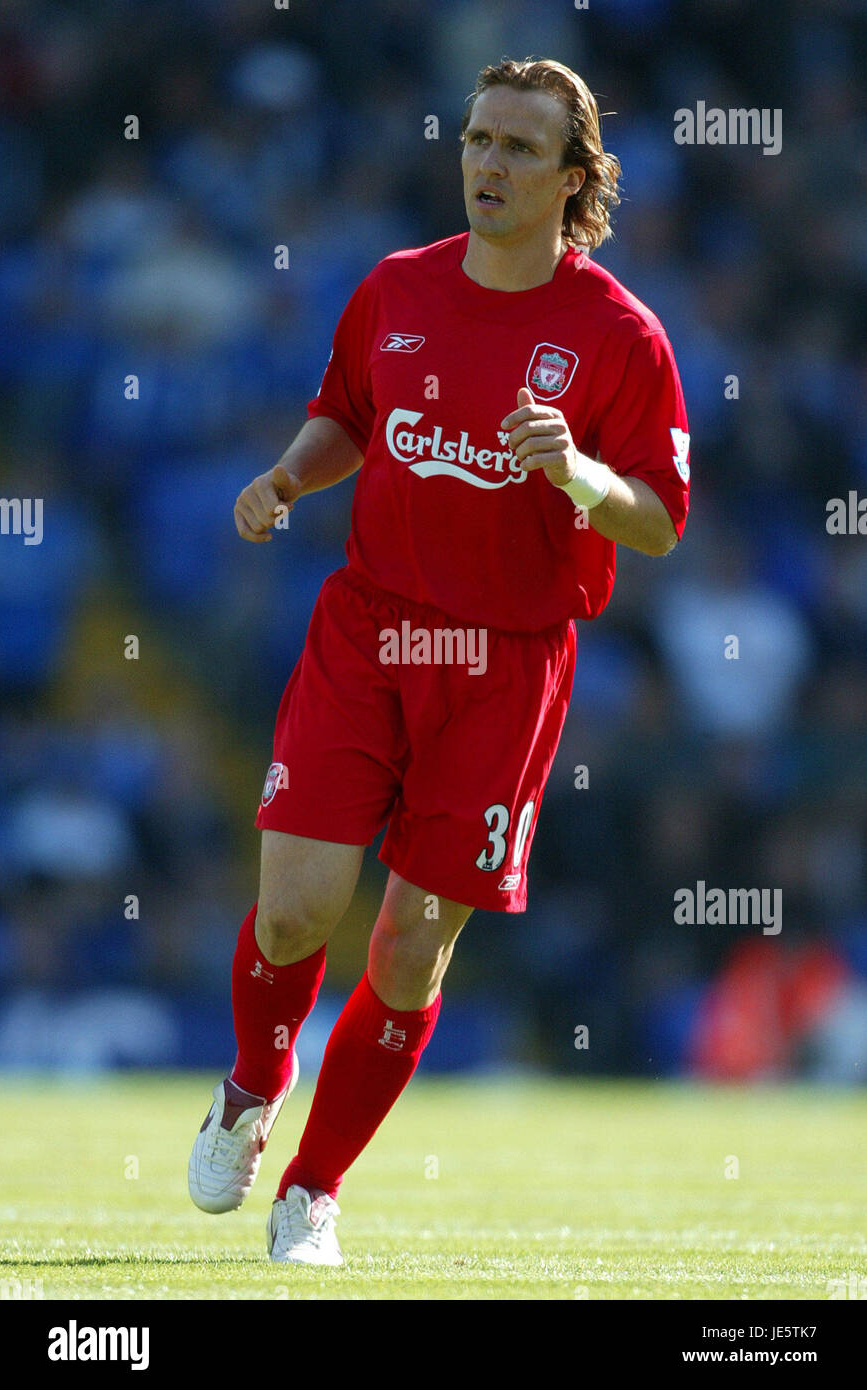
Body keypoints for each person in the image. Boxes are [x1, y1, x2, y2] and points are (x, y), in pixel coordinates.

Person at [188, 56, 691, 1267]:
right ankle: (254, 1085)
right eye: (475, 140)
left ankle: (312, 1190)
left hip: (506, 661)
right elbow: (350, 417)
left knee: (411, 947)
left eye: (518, 149)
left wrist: (572, 472)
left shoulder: (618, 334)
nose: (486, 164)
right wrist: (286, 478)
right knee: (300, 908)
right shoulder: (396, 287)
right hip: (370, 630)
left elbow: (660, 516)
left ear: (573, 181)